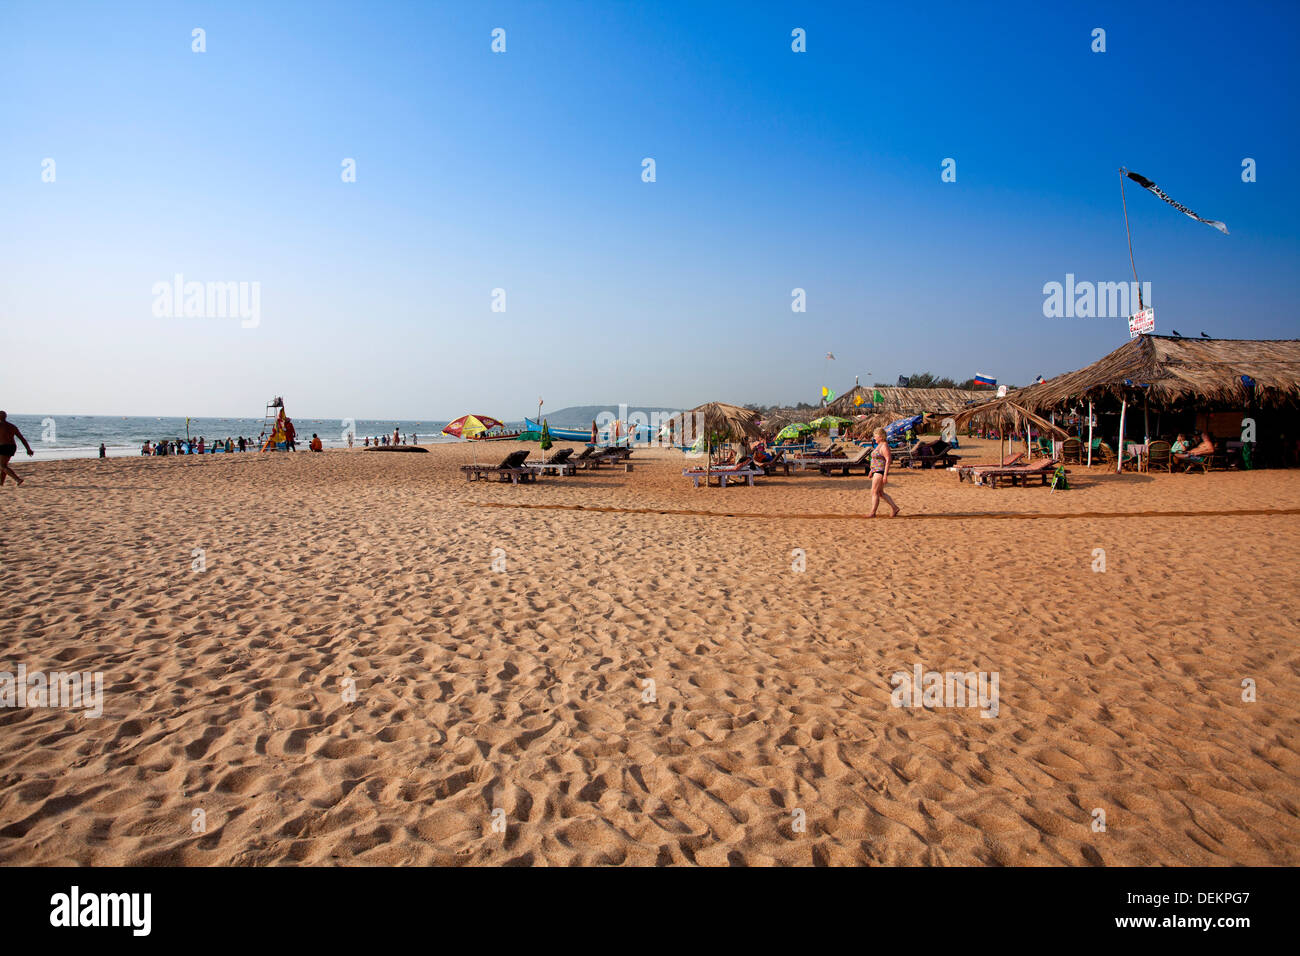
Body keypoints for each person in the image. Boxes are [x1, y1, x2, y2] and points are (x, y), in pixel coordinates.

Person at [869, 428, 900, 518]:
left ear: (881, 437)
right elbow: (876, 460)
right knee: (880, 493)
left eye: (876, 436)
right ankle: (894, 508)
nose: (874, 437)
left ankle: (872, 512)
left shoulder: (884, 446)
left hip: (880, 472)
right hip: (876, 471)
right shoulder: (880, 445)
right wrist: (871, 470)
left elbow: (888, 460)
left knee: (874, 492)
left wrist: (885, 475)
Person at [0, 411, 34, 486]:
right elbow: (22, 439)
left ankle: (17, 479)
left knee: (2, 466)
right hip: (12, 447)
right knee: (4, 465)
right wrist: (28, 449)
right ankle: (1, 483)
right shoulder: (12, 426)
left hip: (3, 447)